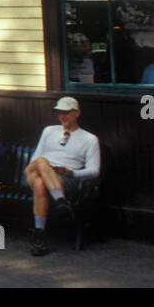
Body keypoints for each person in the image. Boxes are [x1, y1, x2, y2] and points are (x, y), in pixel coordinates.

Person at [26, 96, 100, 256]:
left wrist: (72, 172)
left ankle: (39, 235)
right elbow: (35, 158)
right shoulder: (49, 131)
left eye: (66, 112)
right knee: (41, 162)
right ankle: (61, 201)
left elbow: (94, 170)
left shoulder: (90, 139)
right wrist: (43, 165)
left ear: (77, 113)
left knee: (40, 185)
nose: (62, 116)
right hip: (36, 169)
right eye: (59, 112)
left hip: (63, 178)